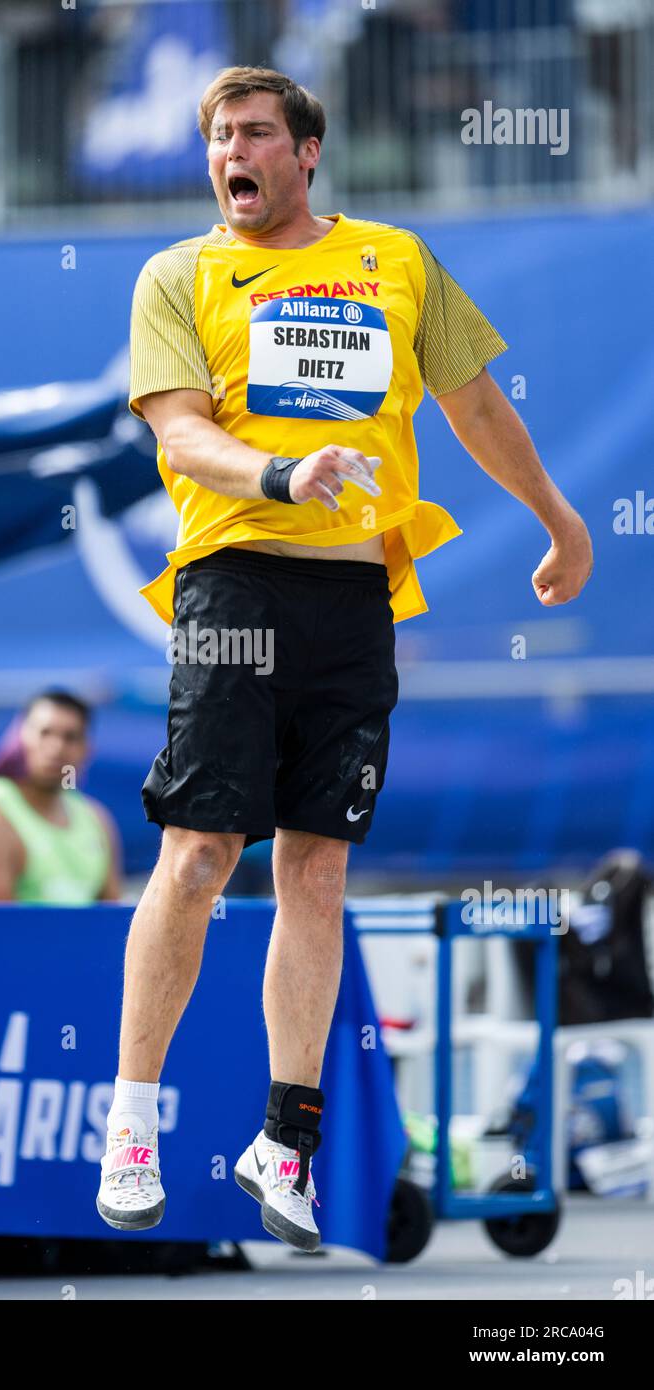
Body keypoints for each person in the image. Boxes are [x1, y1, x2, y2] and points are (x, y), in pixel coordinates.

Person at [96, 65, 593, 1250]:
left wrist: (560, 519)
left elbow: (474, 403)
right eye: (219, 136)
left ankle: (286, 1140)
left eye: (257, 131)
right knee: (204, 848)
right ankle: (129, 1124)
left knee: (317, 870)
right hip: (235, 575)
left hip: (355, 596)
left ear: (305, 152)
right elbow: (178, 431)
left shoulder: (397, 261)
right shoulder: (178, 274)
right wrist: (283, 474)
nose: (235, 151)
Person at [0, 689, 121, 905]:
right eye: (45, 733)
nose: (56, 748)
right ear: (20, 738)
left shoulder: (97, 820)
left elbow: (113, 920)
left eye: (70, 737)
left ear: (86, 749)